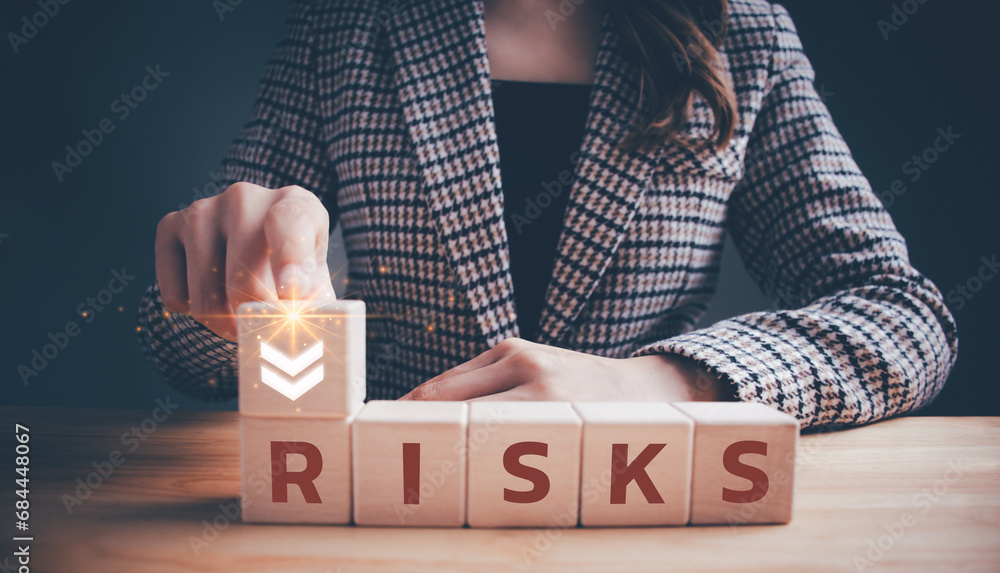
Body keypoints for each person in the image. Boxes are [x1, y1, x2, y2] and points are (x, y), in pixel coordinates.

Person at [139, 0, 958, 430]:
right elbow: (179, 345)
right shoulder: (348, 24)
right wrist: (222, 294)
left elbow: (905, 318)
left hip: (641, 514)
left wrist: (659, 382)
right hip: (390, 519)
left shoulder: (739, 32)